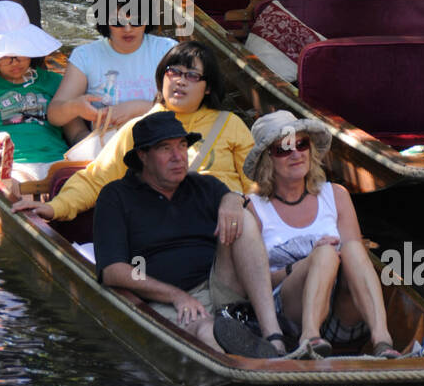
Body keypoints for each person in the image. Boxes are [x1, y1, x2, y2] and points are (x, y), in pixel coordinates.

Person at [93, 112, 288, 357]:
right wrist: (176, 296)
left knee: (244, 219)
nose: (178, 157)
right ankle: (245, 375)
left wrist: (233, 199)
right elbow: (112, 271)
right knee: (206, 329)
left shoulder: (204, 185)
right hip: (166, 298)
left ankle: (274, 339)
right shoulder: (116, 196)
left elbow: (245, 215)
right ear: (143, 156)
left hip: (221, 286)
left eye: (182, 146)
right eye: (165, 149)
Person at [12, 40, 256, 222]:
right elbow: (96, 180)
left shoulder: (230, 124)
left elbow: (256, 185)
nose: (180, 81)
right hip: (170, 232)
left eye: (192, 75)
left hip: (229, 226)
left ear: (208, 88)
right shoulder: (138, 129)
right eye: (174, 72)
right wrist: (55, 208)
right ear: (162, 78)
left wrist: (237, 204)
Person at [244, 111, 400, 359]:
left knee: (353, 248)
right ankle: (309, 337)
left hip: (343, 317)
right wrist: (303, 263)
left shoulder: (336, 194)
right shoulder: (254, 208)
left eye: (301, 144)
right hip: (289, 315)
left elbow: (355, 261)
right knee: (326, 252)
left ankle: (382, 338)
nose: (296, 153)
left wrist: (334, 253)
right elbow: (253, 283)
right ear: (268, 159)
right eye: (284, 148)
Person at [47, 0, 177, 155]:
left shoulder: (167, 51)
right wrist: (76, 108)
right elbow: (54, 113)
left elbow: (190, 105)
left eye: (137, 20)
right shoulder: (85, 56)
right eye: (118, 22)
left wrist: (139, 107)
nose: (128, 29)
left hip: (160, 145)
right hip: (105, 149)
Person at [0, 1, 78, 184]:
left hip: (58, 162)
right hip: (11, 167)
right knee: (16, 188)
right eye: (6, 56)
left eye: (21, 52)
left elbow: (75, 132)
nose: (15, 62)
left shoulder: (54, 82)